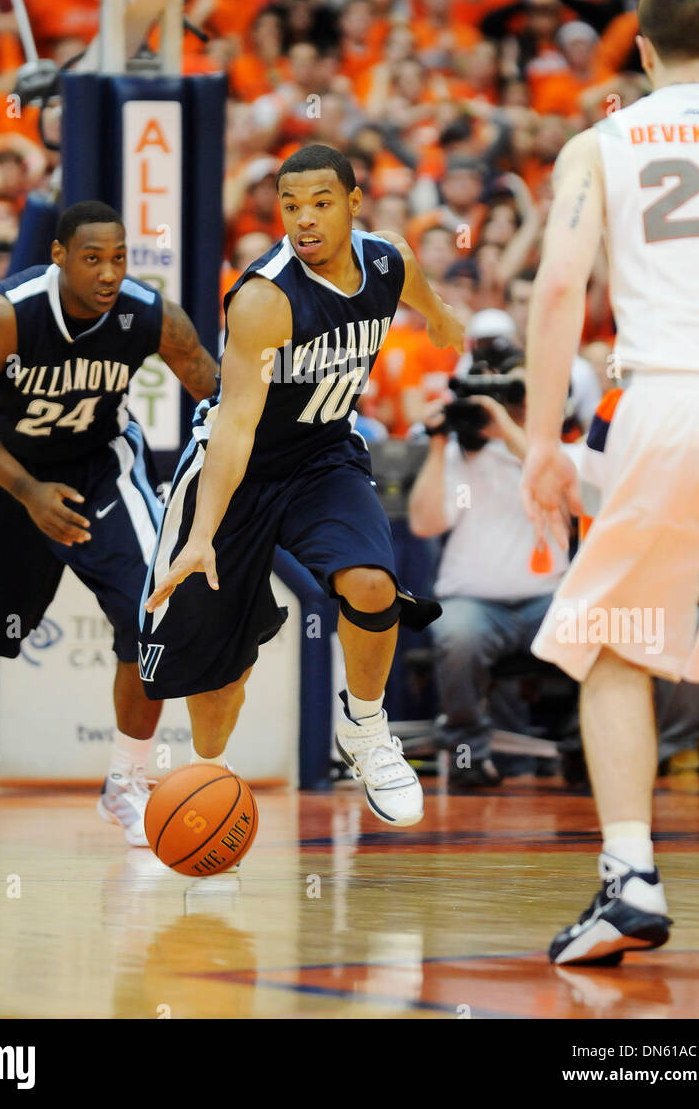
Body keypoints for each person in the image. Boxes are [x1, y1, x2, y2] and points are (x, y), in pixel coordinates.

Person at [521, 0, 699, 965]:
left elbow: (561, 282)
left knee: (611, 644)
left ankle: (629, 879)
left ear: (641, 53)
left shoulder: (598, 143)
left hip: (661, 401)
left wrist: (538, 440)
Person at [140, 143, 464, 827]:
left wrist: (438, 318)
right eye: (290, 207)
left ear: (353, 203)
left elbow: (413, 285)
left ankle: (366, 729)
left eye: (320, 203)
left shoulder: (386, 257)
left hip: (323, 458)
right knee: (220, 669)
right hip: (239, 468)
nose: (304, 220)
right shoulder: (265, 298)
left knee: (372, 583)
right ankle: (209, 780)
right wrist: (202, 536)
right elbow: (233, 428)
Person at [0, 201, 218, 845]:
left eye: (119, 259)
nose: (107, 274)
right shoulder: (8, 316)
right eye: (92, 259)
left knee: (152, 615)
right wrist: (26, 489)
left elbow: (211, 385)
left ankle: (126, 782)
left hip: (99, 466)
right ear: (61, 256)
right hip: (11, 472)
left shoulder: (147, 314)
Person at [407, 347, 568, 789]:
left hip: (546, 601)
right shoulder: (462, 458)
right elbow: (425, 523)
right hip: (474, 604)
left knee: (596, 629)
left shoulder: (555, 452)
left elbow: (567, 494)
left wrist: (508, 428)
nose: (510, 406)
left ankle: (581, 751)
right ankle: (467, 754)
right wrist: (439, 448)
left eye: (516, 397)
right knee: (457, 633)